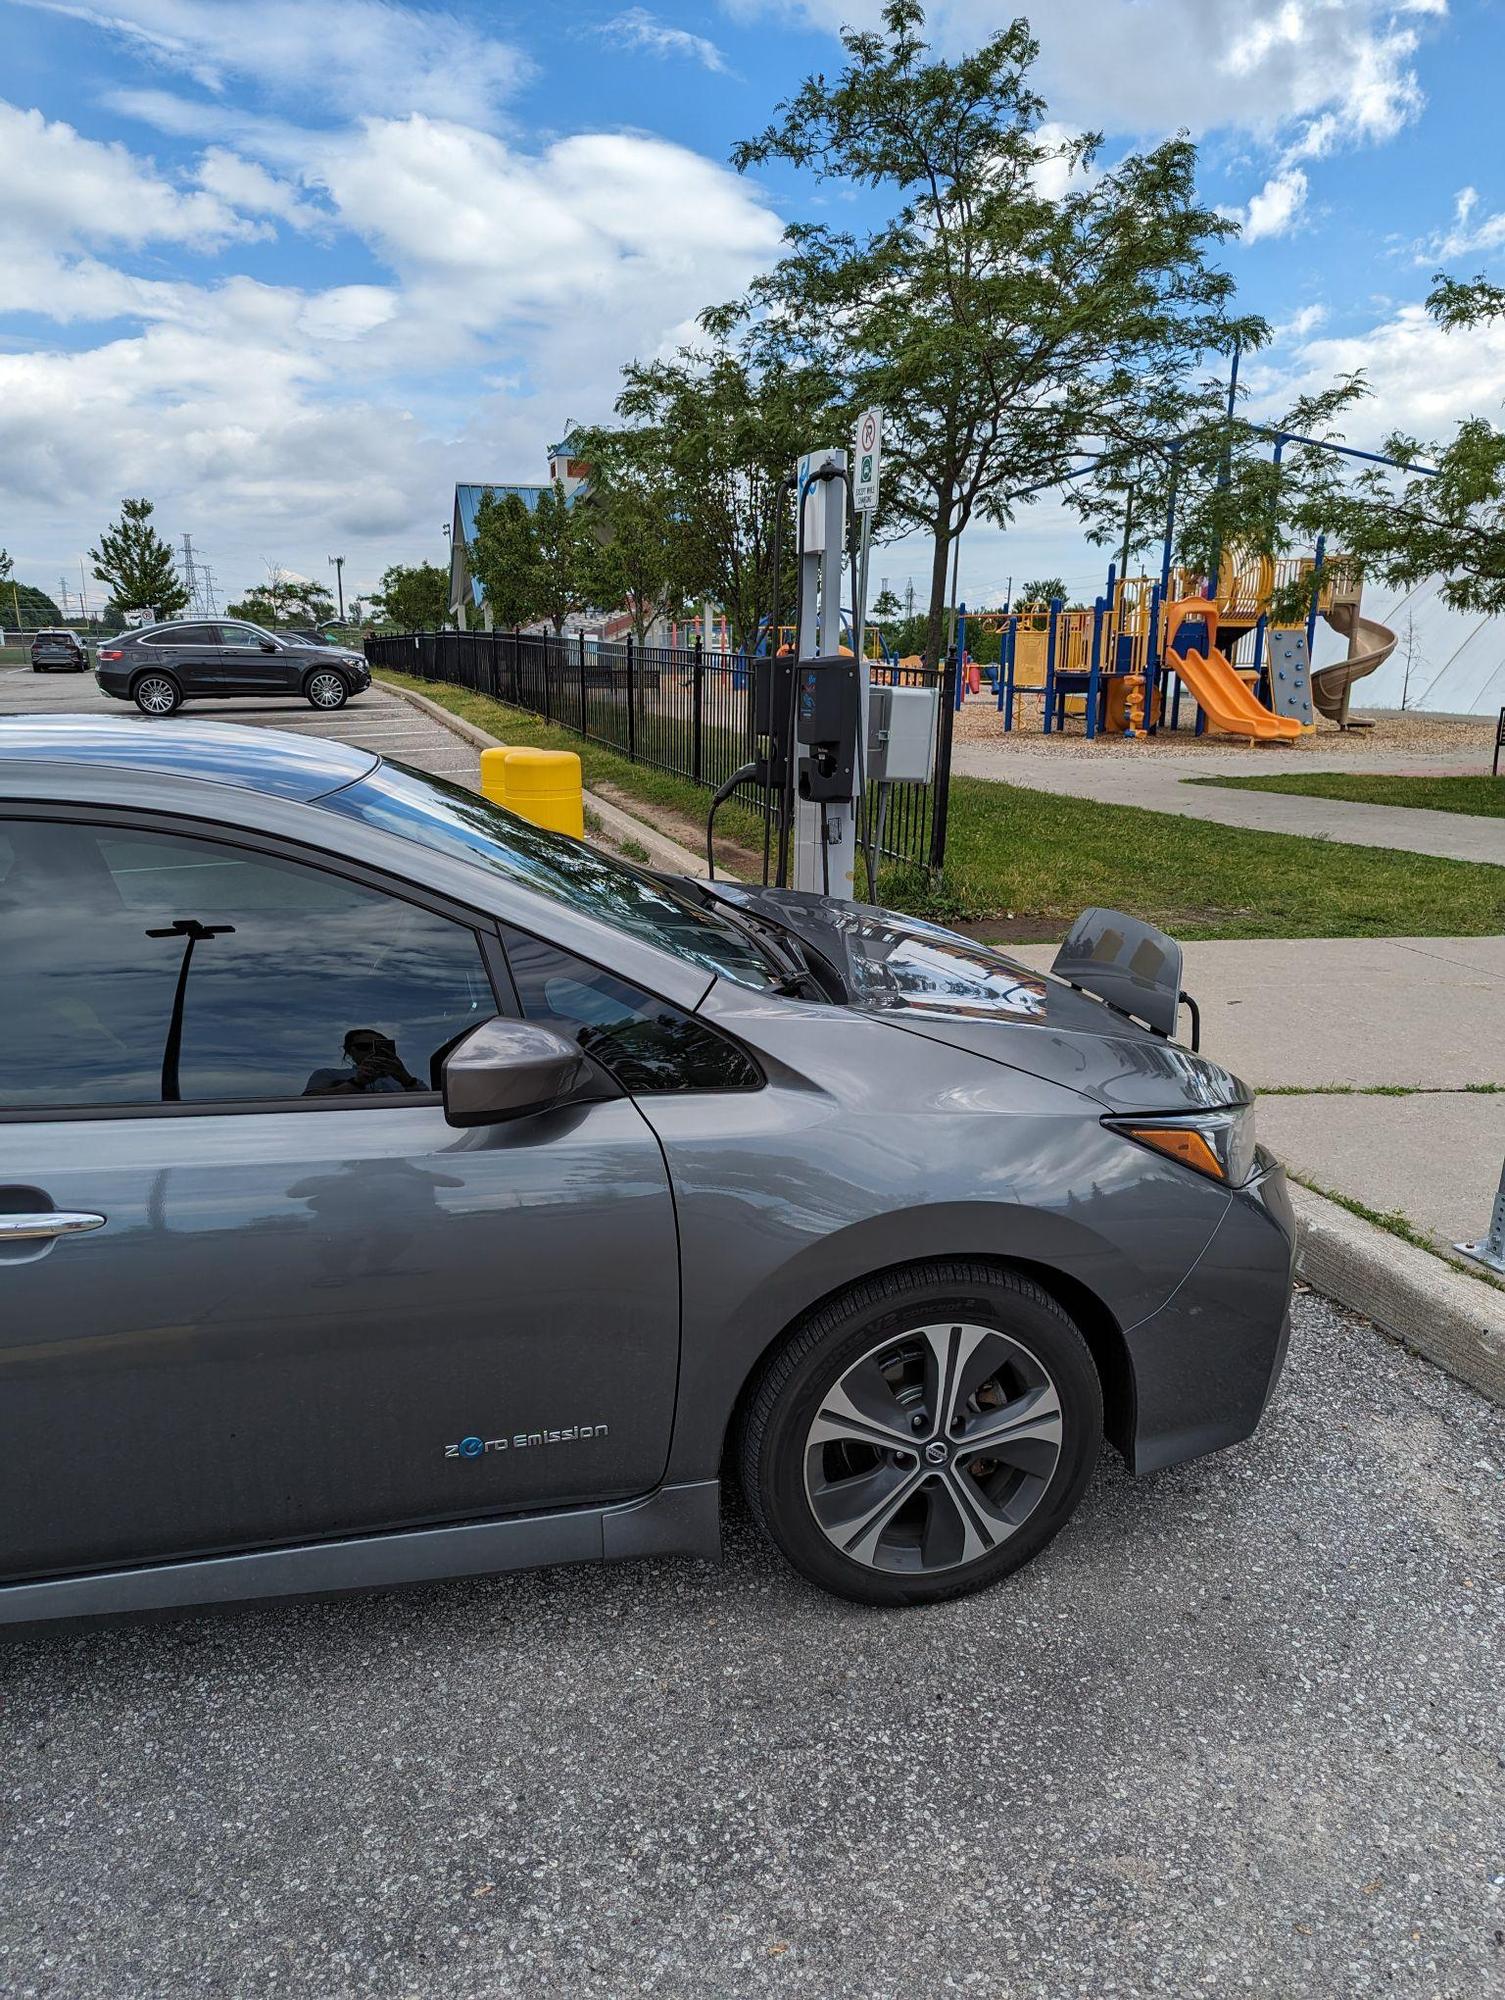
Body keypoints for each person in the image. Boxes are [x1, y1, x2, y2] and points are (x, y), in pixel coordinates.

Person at [304, 1028, 423, 1096]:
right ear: (350, 1051)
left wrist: (406, 1079)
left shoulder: (407, 1081)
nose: (372, 1050)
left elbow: (430, 1104)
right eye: (364, 1046)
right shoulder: (327, 1074)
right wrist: (356, 1083)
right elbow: (307, 1101)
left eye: (379, 1047)